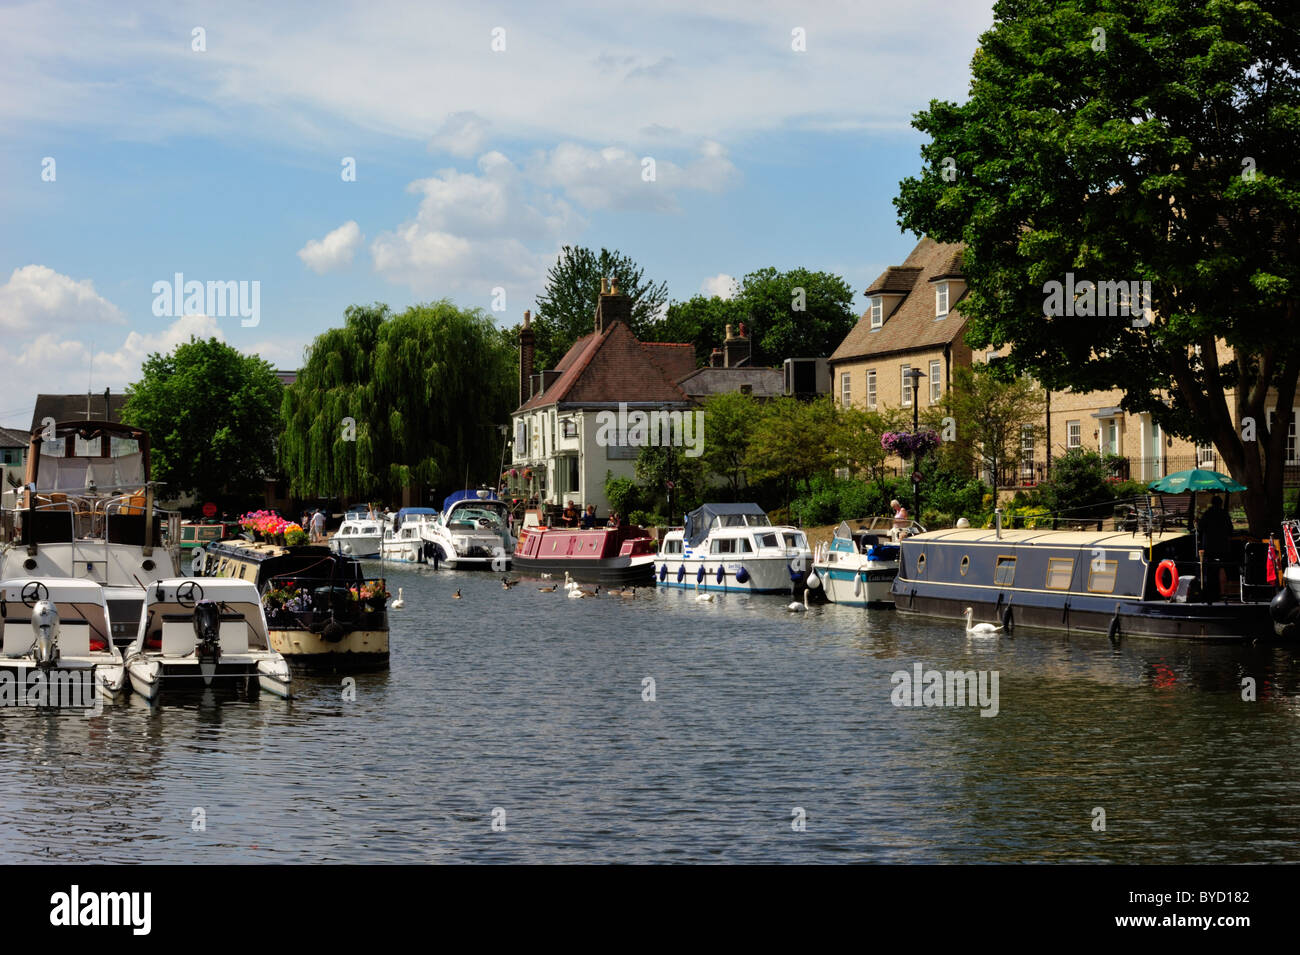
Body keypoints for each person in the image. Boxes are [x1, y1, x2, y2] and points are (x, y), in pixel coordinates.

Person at [1197, 495, 1234, 600]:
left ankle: (1210, 591)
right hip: (1223, 546)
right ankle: (1223, 592)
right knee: (1222, 567)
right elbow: (1230, 530)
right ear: (1220, 504)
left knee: (1210, 568)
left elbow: (1200, 527)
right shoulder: (1224, 514)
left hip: (1209, 546)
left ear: (1211, 503)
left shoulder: (1207, 514)